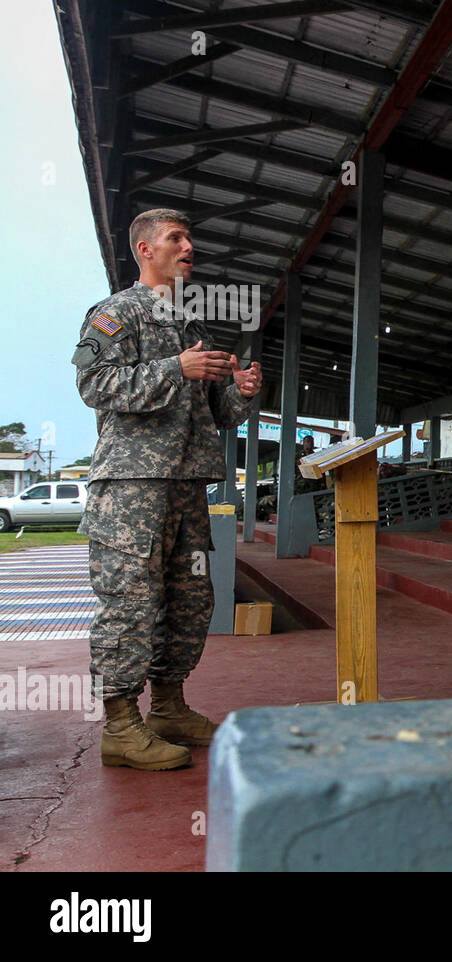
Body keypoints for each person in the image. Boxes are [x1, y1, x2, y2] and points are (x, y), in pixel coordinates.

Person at [73, 207, 262, 771]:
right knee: (130, 601)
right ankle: (120, 725)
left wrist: (243, 392)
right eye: (175, 239)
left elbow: (217, 412)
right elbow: (94, 384)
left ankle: (169, 706)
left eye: (189, 239)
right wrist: (175, 368)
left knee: (188, 599)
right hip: (131, 485)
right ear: (144, 251)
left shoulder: (192, 327)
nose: (188, 247)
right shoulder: (114, 314)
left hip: (185, 485)